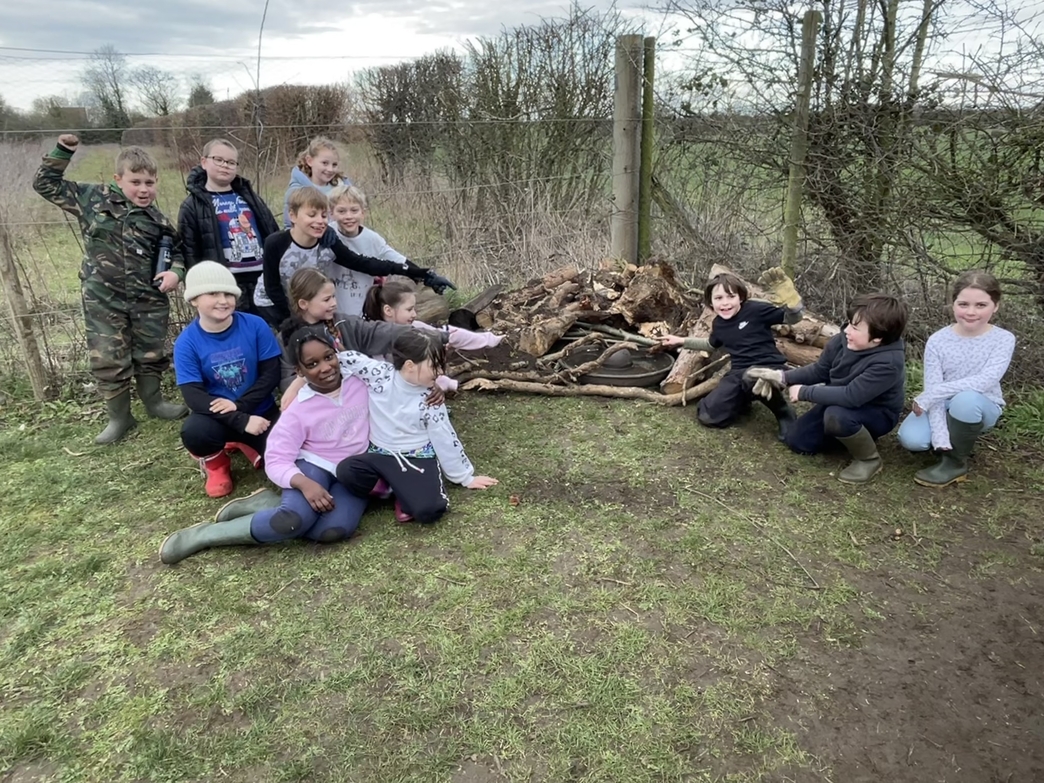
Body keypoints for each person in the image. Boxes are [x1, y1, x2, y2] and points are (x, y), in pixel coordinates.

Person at [160, 325, 373, 565]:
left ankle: (268, 503)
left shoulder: (363, 380)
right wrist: (303, 483)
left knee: (333, 530)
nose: (325, 368)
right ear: (299, 371)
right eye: (312, 364)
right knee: (290, 521)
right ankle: (205, 535)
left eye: (328, 357)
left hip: (353, 469)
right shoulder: (297, 408)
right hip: (313, 466)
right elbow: (276, 458)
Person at [33, 133, 187, 444]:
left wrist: (176, 272)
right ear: (118, 179)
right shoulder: (93, 198)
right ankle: (120, 417)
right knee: (108, 357)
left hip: (148, 300)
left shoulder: (157, 219)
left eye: (149, 183)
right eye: (136, 182)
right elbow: (45, 184)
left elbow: (179, 249)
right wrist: (64, 151)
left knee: (150, 352)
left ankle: (155, 403)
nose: (143, 189)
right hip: (104, 300)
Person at [335, 331, 498, 524]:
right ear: (409, 366)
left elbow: (445, 437)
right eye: (434, 366)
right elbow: (346, 359)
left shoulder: (431, 399)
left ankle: (403, 490)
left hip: (416, 458)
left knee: (430, 511)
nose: (440, 372)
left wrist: (465, 477)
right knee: (347, 471)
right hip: (380, 454)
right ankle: (395, 491)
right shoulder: (378, 374)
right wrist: (300, 381)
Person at [745, 293, 908, 484]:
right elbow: (820, 370)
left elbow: (851, 396)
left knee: (837, 416)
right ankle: (848, 435)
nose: (847, 330)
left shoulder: (888, 362)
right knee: (797, 441)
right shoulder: (843, 340)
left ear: (878, 338)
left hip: (876, 412)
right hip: (838, 399)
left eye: (855, 328)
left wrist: (805, 392)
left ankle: (869, 459)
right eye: (848, 323)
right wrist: (783, 377)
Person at [254, 186, 456, 327]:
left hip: (311, 306)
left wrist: (423, 273)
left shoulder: (330, 242)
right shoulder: (278, 242)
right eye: (312, 215)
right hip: (273, 304)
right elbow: (272, 287)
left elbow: (367, 263)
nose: (319, 221)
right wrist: (293, 320)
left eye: (323, 216)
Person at [174, 262, 282, 498]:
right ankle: (216, 464)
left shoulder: (255, 325)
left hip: (259, 412)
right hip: (219, 418)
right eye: (213, 294)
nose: (223, 300)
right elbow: (194, 396)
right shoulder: (186, 342)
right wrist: (239, 419)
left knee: (285, 457)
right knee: (194, 431)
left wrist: (243, 408)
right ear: (194, 300)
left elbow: (271, 373)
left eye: (228, 294)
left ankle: (247, 443)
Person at [897, 271, 1015, 487]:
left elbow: (985, 381)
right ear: (953, 304)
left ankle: (954, 463)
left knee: (965, 400)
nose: (971, 312)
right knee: (911, 439)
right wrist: (940, 436)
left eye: (981, 305)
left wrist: (930, 395)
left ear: (995, 306)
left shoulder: (1003, 339)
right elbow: (934, 389)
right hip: (941, 402)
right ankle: (951, 437)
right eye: (963, 304)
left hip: (981, 405)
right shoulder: (938, 341)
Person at [658, 268, 803, 440]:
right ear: (711, 303)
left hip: (769, 366)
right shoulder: (719, 324)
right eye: (718, 298)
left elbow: (792, 318)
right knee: (708, 415)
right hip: (738, 372)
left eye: (730, 296)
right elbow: (710, 345)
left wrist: (794, 304)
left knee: (753, 376)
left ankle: (783, 412)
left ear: (740, 297)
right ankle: (743, 399)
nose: (725, 303)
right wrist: (680, 340)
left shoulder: (755, 310)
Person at [177, 138, 280, 315]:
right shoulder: (193, 205)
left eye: (231, 162)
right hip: (225, 283)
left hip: (261, 279)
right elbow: (190, 251)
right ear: (204, 162)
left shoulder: (249, 197)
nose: (225, 165)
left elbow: (272, 231)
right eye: (218, 160)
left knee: (264, 329)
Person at [275, 267, 409, 401]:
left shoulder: (345, 323)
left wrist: (418, 334)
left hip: (358, 399)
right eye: (327, 299)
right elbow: (288, 380)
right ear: (303, 303)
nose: (334, 303)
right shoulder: (287, 338)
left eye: (334, 296)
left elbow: (380, 332)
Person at [363, 277, 502, 394]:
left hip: (416, 381)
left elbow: (447, 334)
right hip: (398, 391)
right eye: (409, 309)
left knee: (449, 334)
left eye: (414, 309)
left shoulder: (414, 326)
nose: (414, 314)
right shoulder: (375, 340)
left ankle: (487, 340)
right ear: (388, 310)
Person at [281, 136, 349, 227]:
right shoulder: (296, 191)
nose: (330, 169)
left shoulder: (344, 188)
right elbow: (289, 225)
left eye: (334, 164)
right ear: (310, 161)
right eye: (324, 163)